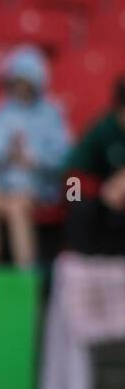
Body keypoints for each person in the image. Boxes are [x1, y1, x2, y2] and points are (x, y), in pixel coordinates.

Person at [0, 45, 69, 268]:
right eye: (17, 82)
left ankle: (24, 276)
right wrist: (9, 152)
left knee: (16, 207)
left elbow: (63, 156)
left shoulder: (51, 112)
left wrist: (33, 159)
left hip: (39, 186)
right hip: (3, 184)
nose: (21, 88)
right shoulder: (2, 110)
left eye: (25, 83)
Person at [63, 77, 125, 256]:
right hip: (103, 202)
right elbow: (72, 174)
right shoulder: (102, 130)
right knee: (76, 203)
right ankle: (81, 263)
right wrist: (101, 190)